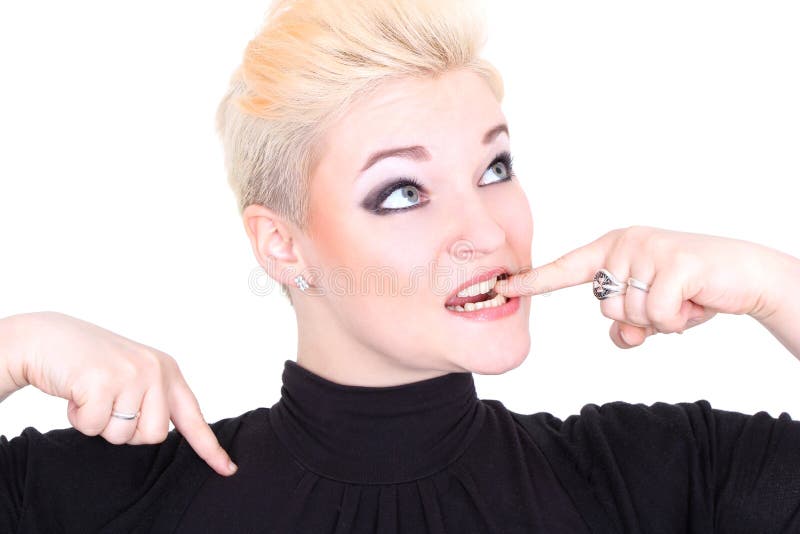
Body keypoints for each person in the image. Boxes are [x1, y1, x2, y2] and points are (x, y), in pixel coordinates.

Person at [2, 0, 800, 532]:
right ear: (282, 245)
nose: (486, 229)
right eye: (404, 190)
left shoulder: (651, 476)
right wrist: (19, 344)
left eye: (494, 169)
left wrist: (774, 285)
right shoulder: (130, 493)